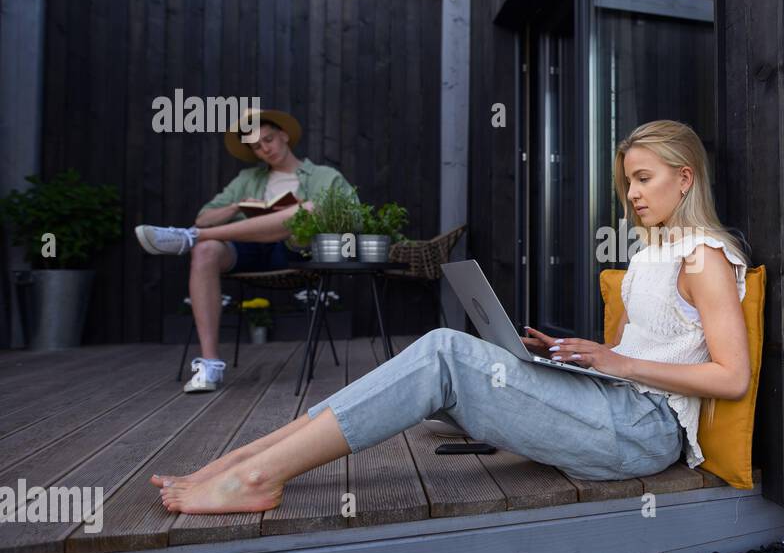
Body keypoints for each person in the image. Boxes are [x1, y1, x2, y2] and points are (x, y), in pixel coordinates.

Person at [151, 119, 752, 514]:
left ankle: (258, 477)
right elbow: (651, 352)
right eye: (628, 183)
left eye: (644, 179)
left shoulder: (704, 257)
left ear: (686, 177)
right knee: (441, 359)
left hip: (643, 433)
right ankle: (252, 457)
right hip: (611, 403)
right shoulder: (653, 251)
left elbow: (732, 377)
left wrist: (614, 360)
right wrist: (572, 355)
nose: (633, 195)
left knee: (444, 352)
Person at [133, 109, 353, 394]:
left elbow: (350, 216)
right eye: (257, 147)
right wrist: (237, 206)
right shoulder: (247, 178)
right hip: (249, 249)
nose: (265, 149)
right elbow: (204, 216)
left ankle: (189, 238)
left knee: (307, 208)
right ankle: (209, 364)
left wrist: (297, 212)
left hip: (295, 250)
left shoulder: (324, 175)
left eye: (269, 139)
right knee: (205, 252)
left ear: (284, 136)